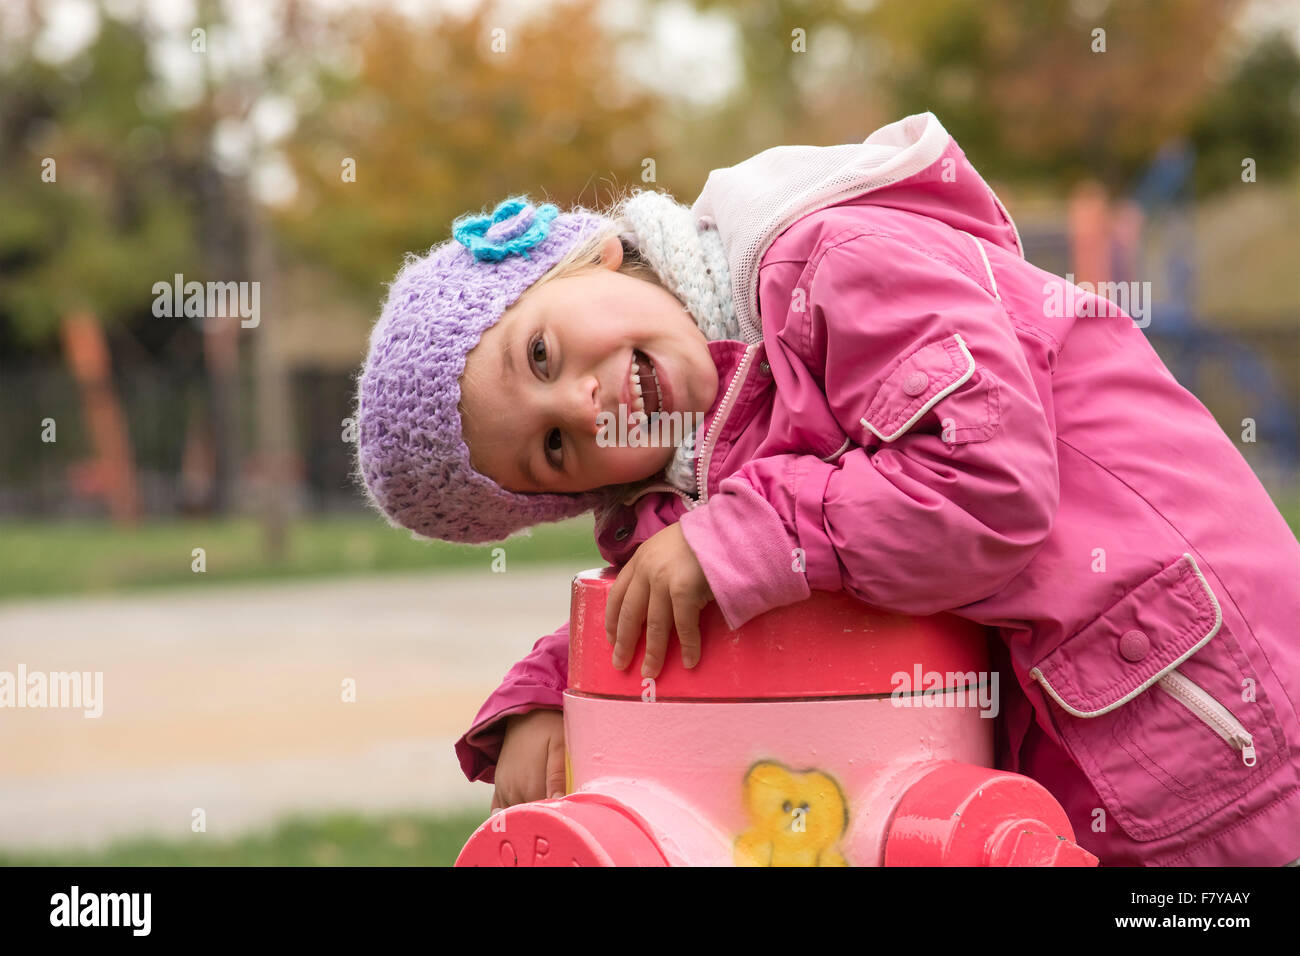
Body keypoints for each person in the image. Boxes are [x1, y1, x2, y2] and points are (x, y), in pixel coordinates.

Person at [354, 112, 1300, 866]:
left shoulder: (838, 263)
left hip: (1216, 710)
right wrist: (545, 695)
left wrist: (753, 536)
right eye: (556, 448)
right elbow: (668, 599)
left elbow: (989, 481)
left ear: (591, 256)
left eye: (543, 353)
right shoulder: (693, 480)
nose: (585, 402)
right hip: (1074, 756)